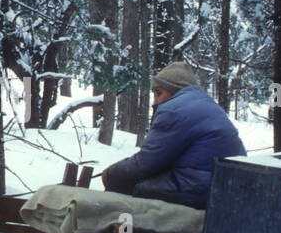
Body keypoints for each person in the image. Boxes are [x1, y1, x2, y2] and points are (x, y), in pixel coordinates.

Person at [101, 61, 246, 209]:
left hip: (200, 187)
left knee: (132, 185)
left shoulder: (173, 110)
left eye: (158, 93)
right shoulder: (208, 104)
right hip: (228, 185)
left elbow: (146, 163)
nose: (155, 102)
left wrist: (112, 173)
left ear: (175, 90)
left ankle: (126, 229)